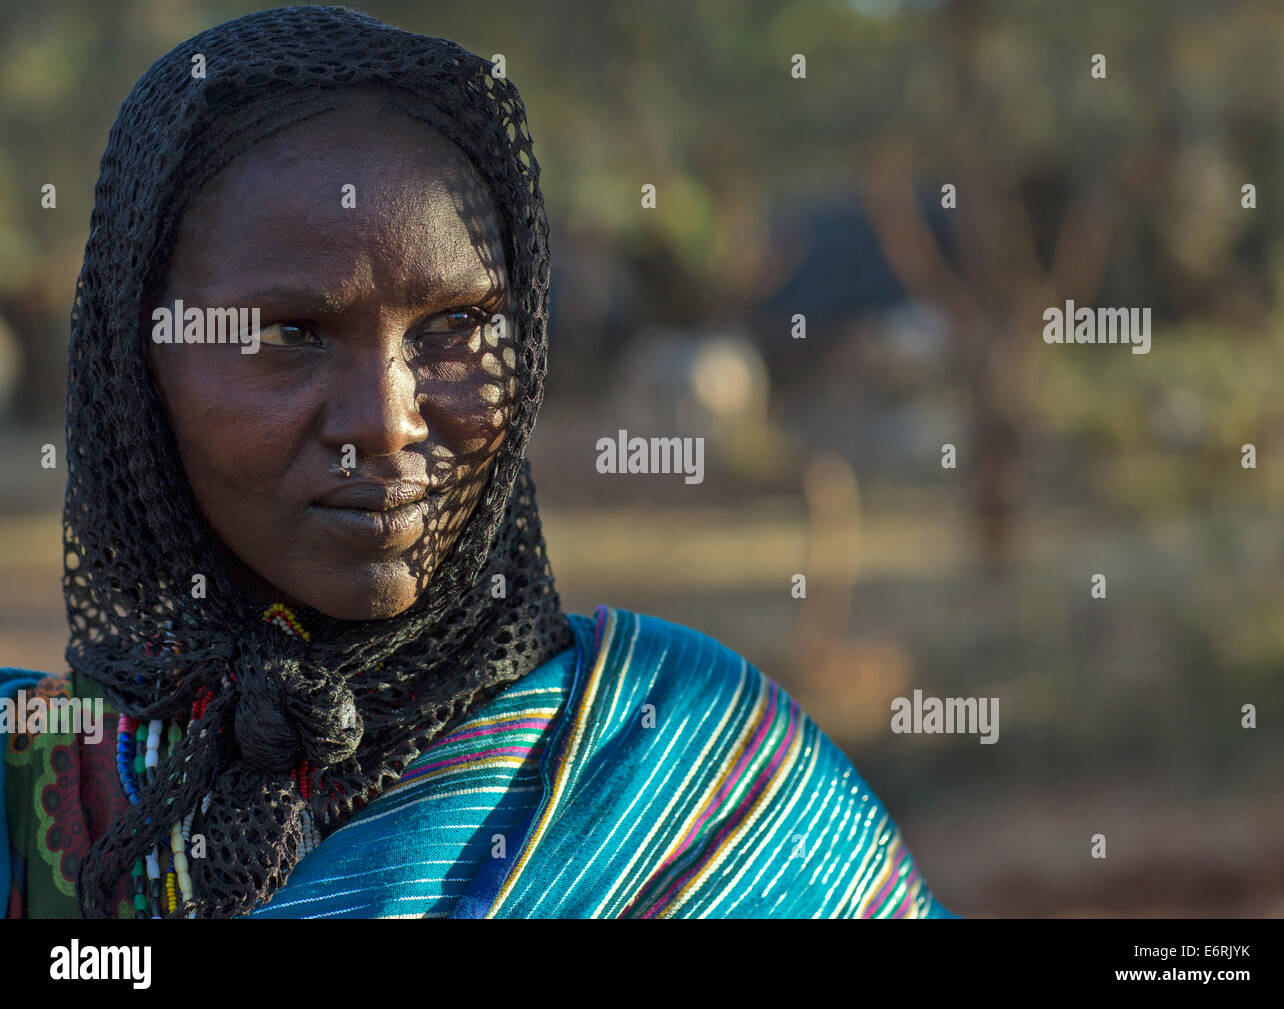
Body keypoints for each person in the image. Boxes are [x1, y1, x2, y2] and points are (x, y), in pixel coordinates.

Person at [1, 5, 954, 919]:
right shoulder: (27, 781)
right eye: (290, 331)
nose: (384, 422)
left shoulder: (686, 765)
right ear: (135, 365)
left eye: (455, 325)